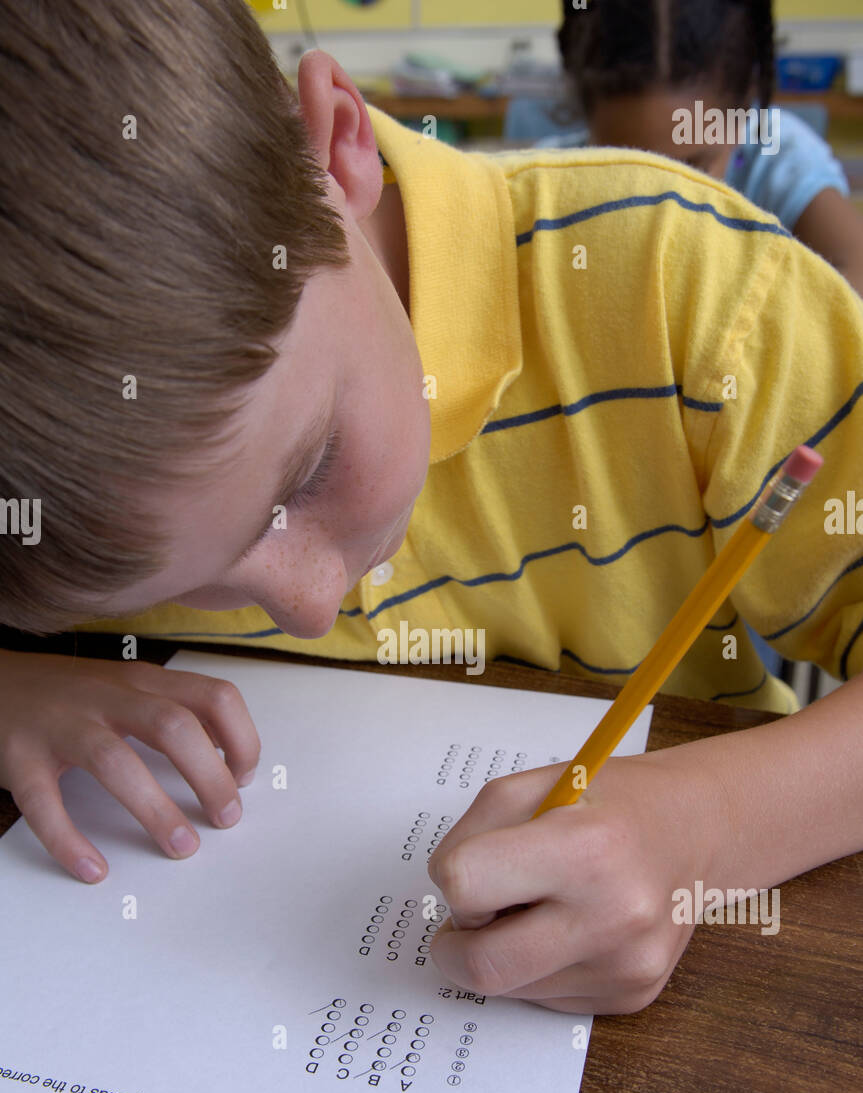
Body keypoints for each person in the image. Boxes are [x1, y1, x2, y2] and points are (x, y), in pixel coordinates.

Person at [1, 0, 862, 1017]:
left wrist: (706, 827)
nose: (311, 604)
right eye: (184, 585)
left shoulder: (688, 293)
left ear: (339, 146)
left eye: (308, 469)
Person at [543, 0, 863, 295]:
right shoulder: (549, 182)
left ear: (742, 112)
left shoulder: (775, 155)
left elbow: (854, 280)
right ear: (587, 120)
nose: (659, 215)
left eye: (692, 169)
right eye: (624, 173)